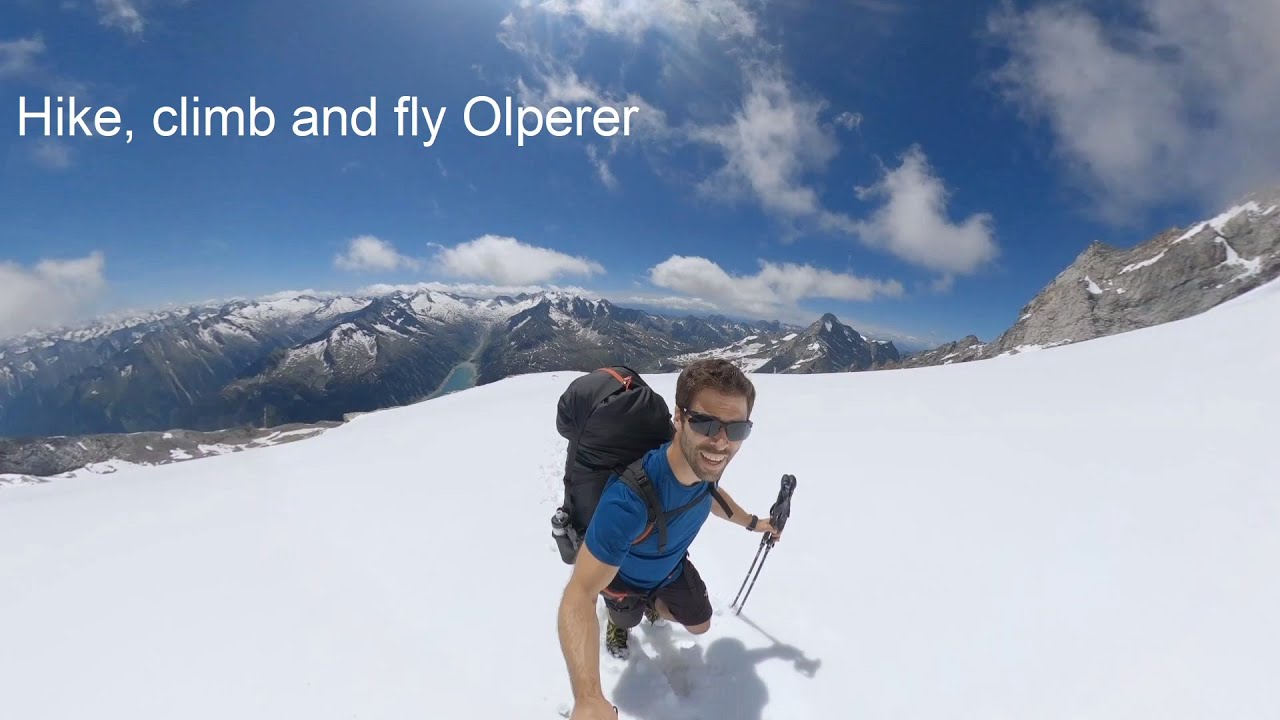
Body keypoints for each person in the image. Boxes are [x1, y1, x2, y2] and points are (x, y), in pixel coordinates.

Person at [556, 358, 782, 720]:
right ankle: (622, 618)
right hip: (622, 579)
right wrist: (588, 697)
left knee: (701, 623)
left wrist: (755, 523)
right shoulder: (628, 501)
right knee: (625, 622)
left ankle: (651, 606)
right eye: (705, 423)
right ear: (679, 417)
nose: (721, 442)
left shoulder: (703, 468)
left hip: (670, 569)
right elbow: (579, 593)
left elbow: (712, 499)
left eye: (736, 429)